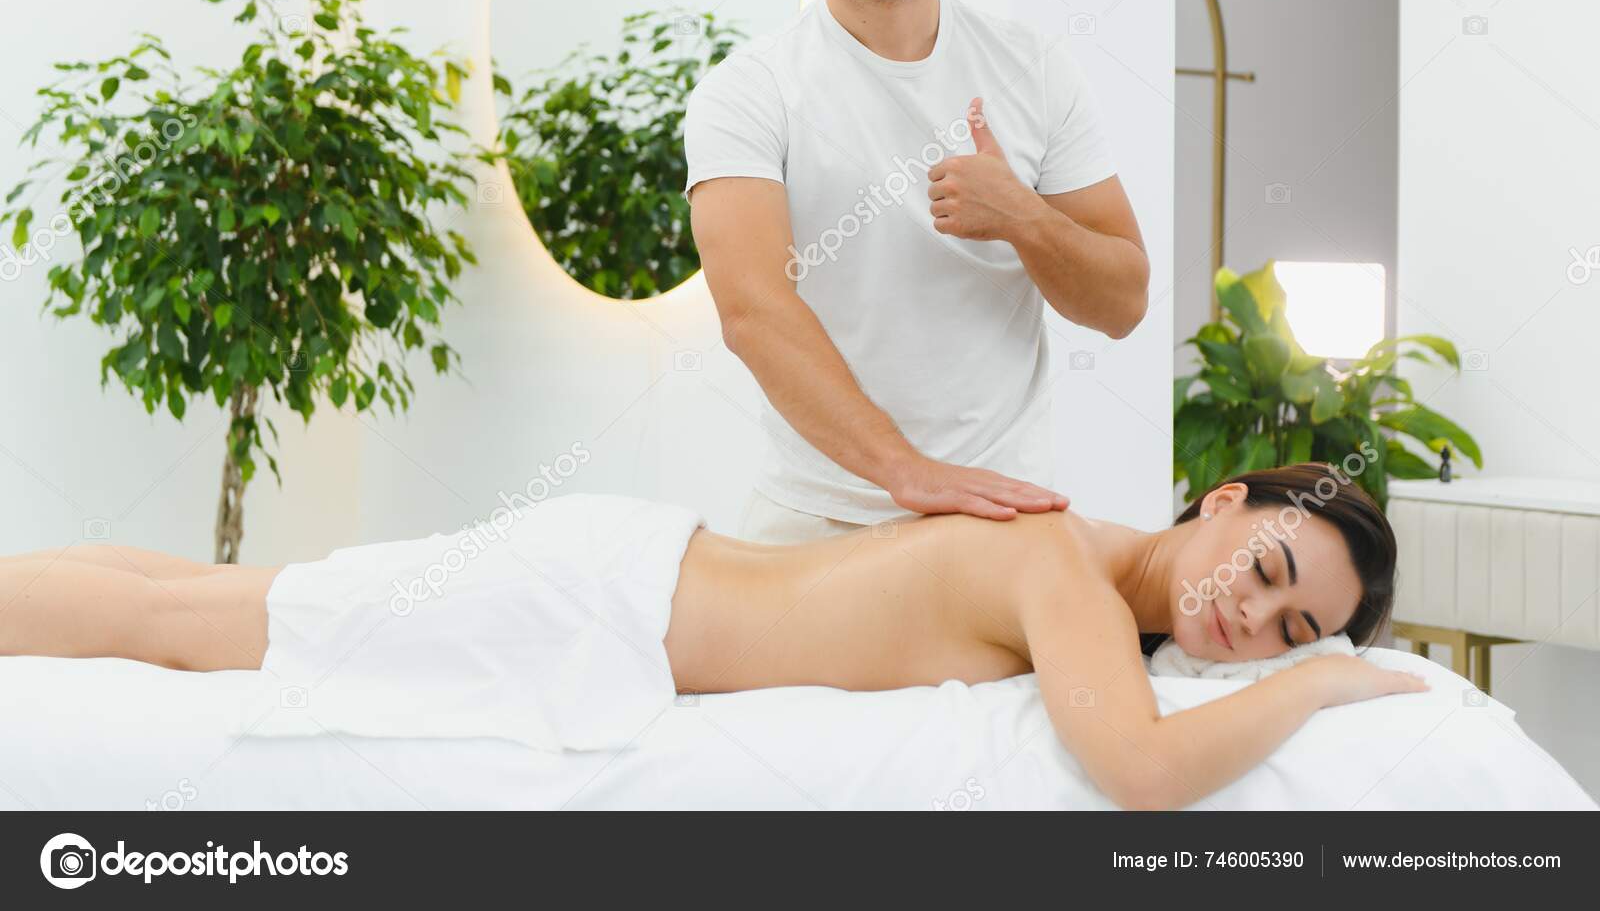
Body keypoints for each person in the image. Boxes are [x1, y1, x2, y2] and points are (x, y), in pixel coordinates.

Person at [0, 462, 1426, 810]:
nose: (1252, 616)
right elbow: (1139, 773)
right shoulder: (1067, 567)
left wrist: (1300, 662)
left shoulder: (1084, 561)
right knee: (191, 627)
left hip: (617, 583)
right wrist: (1322, 688)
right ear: (1227, 498)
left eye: (1289, 629)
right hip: (597, 604)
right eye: (1271, 567)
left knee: (208, 597)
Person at [683, 0, 1150, 545]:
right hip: (815, 523)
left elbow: (1124, 302)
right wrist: (909, 473)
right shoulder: (747, 92)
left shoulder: (1032, 70)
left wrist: (1023, 218)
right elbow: (754, 314)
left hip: (1000, 520)